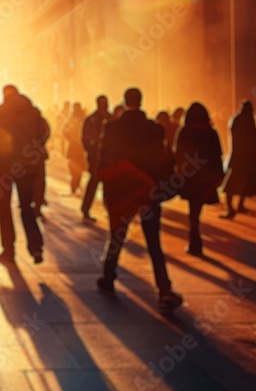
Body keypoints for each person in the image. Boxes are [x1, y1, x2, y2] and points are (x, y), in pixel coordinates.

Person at [96, 88, 182, 312]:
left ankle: (108, 277)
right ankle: (164, 289)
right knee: (154, 242)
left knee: (117, 236)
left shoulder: (112, 128)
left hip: (120, 191)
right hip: (147, 190)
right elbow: (163, 160)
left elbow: (102, 161)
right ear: (141, 102)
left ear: (124, 102)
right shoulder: (155, 129)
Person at [0, 86, 50, 265]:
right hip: (27, 167)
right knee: (26, 207)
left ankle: (8, 250)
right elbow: (44, 134)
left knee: (4, 208)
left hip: (4, 167)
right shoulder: (34, 113)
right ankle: (36, 247)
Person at [173, 103, 225, 256]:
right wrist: (219, 175)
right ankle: (195, 241)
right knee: (196, 210)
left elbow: (179, 154)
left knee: (193, 211)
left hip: (191, 178)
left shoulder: (185, 131)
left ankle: (195, 242)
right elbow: (218, 155)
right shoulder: (211, 133)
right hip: (207, 177)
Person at [221, 100, 256, 219]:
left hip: (240, 157)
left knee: (237, 185)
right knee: (233, 185)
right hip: (244, 158)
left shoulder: (238, 119)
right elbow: (249, 138)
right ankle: (233, 208)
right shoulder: (246, 120)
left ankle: (235, 207)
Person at [80, 95, 110, 222]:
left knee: (107, 185)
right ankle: (86, 209)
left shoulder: (109, 118)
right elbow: (85, 139)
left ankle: (109, 210)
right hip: (97, 158)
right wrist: (92, 153)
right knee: (95, 183)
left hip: (106, 157)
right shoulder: (92, 120)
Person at [62, 103, 86, 197]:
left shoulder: (74, 119)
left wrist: (70, 138)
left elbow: (64, 131)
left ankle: (75, 184)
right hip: (79, 147)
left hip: (75, 147)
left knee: (76, 167)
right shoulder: (81, 119)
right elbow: (64, 131)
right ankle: (75, 184)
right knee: (77, 167)